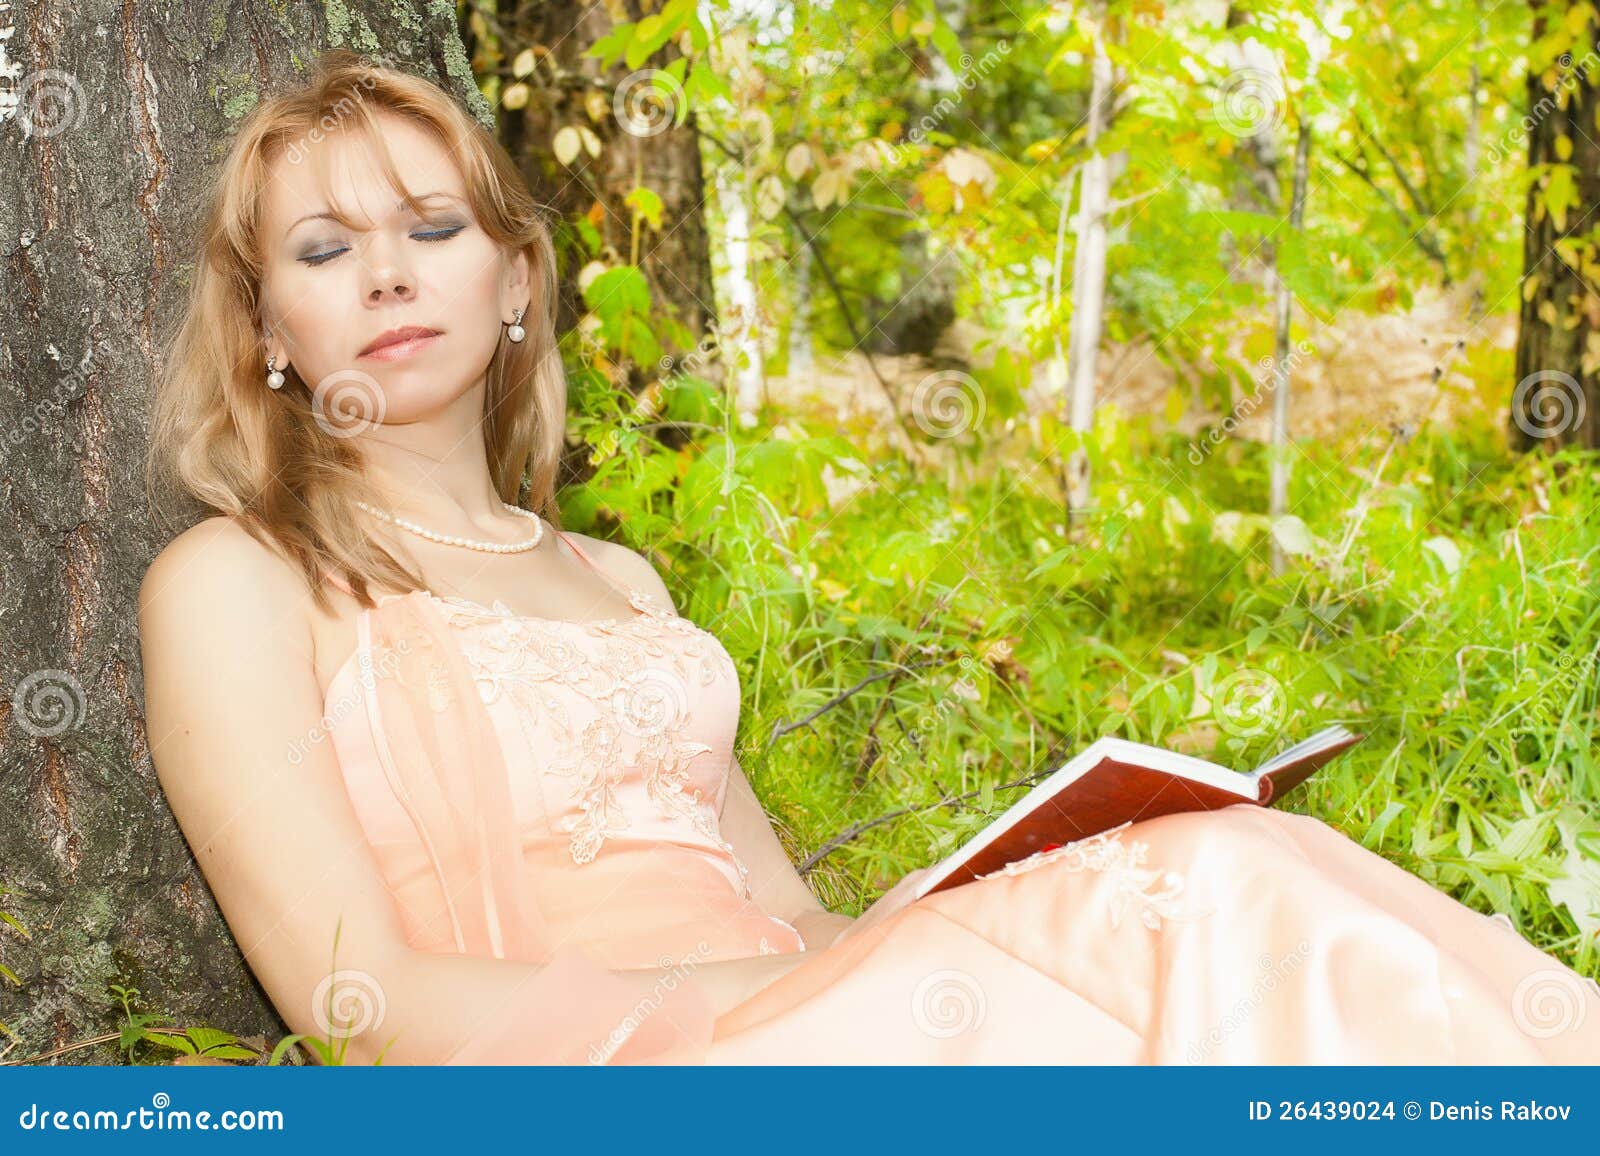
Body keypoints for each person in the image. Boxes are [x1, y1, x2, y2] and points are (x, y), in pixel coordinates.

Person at [139, 50, 1600, 1066]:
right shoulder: (238, 584)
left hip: (815, 1012)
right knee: (1208, 906)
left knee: (1217, 854)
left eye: (432, 226)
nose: (387, 273)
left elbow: (788, 908)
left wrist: (973, 895)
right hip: (613, 1065)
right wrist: (817, 981)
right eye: (324, 252)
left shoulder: (620, 585)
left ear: (516, 280)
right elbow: (360, 1007)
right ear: (268, 330)